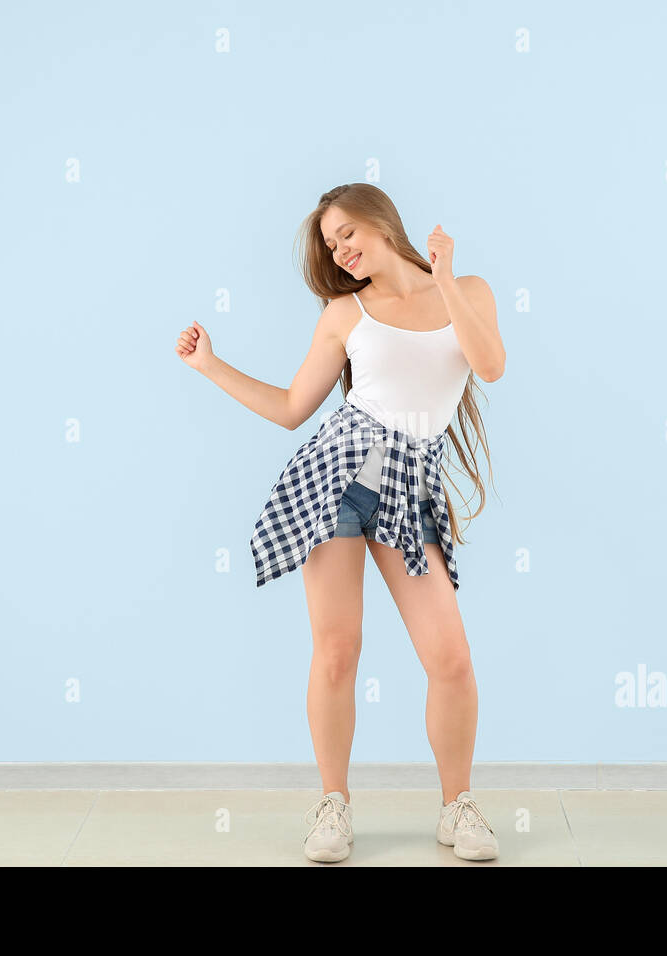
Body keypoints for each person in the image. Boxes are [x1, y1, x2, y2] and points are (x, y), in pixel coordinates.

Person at [175, 183, 506, 863]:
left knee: (451, 660)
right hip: (337, 479)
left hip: (412, 483)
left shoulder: (467, 289)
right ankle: (333, 807)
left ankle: (458, 807)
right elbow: (296, 407)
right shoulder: (343, 312)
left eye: (347, 232)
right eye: (331, 243)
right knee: (336, 651)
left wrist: (443, 281)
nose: (341, 249)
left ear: (383, 222)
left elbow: (491, 366)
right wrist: (210, 366)